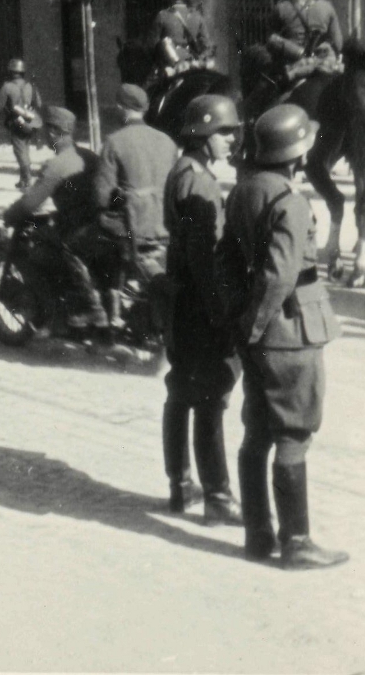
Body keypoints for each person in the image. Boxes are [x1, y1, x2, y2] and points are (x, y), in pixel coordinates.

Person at [218, 103, 347, 570]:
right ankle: (297, 543)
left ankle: (258, 533)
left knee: (257, 431)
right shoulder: (289, 202)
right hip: (289, 331)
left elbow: (228, 263)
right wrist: (254, 326)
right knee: (293, 432)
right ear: (295, 155)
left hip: (255, 331)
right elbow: (279, 276)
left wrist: (241, 325)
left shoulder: (244, 191)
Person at [162, 94, 244, 525]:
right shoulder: (200, 183)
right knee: (211, 398)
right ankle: (217, 496)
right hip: (199, 302)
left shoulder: (184, 170)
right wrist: (221, 314)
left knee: (180, 391)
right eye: (224, 132)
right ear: (202, 134)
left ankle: (180, 485)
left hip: (181, 299)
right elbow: (205, 259)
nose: (231, 140)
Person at [3, 106, 106, 330]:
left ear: (53, 132)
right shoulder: (88, 156)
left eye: (45, 130)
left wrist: (10, 214)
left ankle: (52, 315)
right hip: (96, 226)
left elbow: (30, 203)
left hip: (74, 229)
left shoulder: (56, 164)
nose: (42, 134)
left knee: (36, 247)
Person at [88, 83, 179, 330]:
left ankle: (104, 312)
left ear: (121, 108)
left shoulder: (114, 142)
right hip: (166, 226)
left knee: (85, 245)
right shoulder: (168, 142)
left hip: (133, 227)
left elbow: (102, 197)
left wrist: (121, 199)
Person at [266, 0, 344, 88]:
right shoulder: (327, 6)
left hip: (293, 70)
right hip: (323, 68)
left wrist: (297, 52)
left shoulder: (281, 8)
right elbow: (338, 44)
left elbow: (271, 42)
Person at [150, 0, 213, 77]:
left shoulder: (162, 15)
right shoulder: (197, 16)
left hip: (171, 65)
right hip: (192, 64)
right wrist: (198, 61)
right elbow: (207, 46)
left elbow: (152, 46)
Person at [0, 57, 42, 189]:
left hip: (16, 122)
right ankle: (23, 179)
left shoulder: (7, 87)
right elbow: (39, 103)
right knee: (25, 148)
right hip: (30, 122)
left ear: (11, 72)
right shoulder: (30, 86)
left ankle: (28, 178)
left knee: (19, 151)